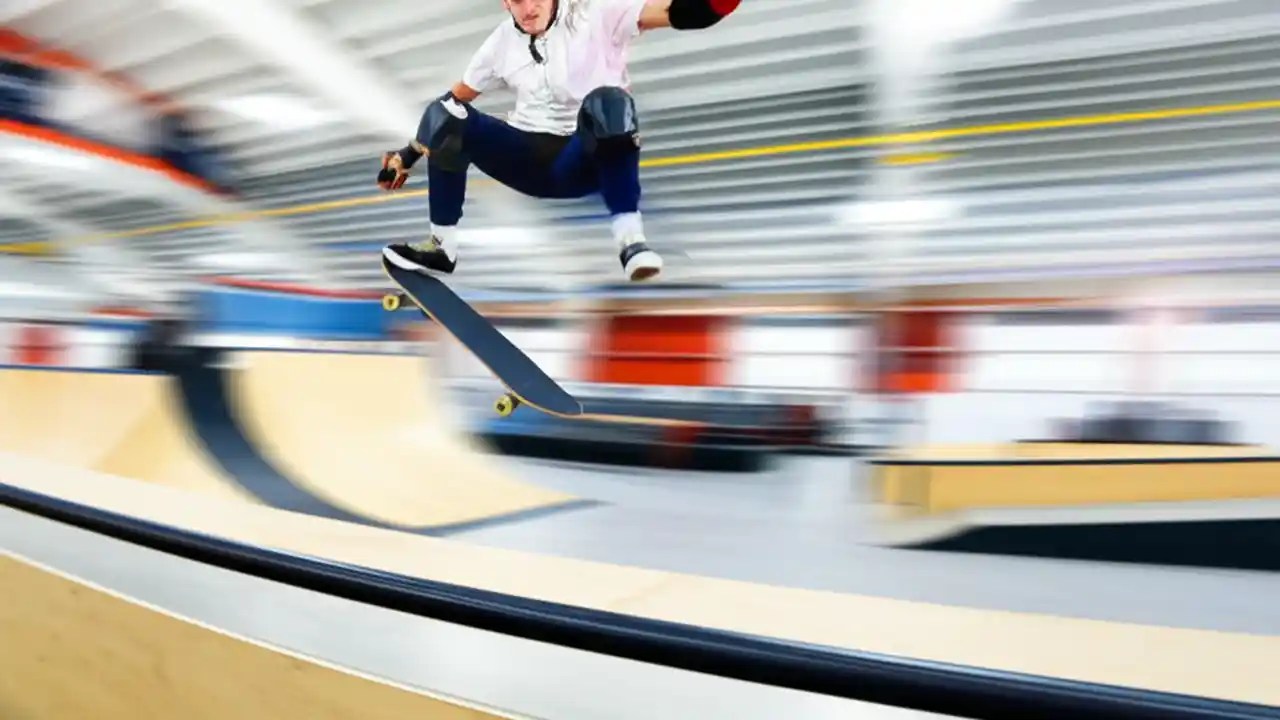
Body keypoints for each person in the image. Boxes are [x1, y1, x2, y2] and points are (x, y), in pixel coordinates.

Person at [377, 0, 741, 282]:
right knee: (446, 111)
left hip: (580, 159)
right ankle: (442, 247)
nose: (529, 10)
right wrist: (407, 155)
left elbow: (684, 11)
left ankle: (631, 242)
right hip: (525, 158)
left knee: (608, 101)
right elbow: (455, 99)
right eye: (518, 2)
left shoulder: (596, 11)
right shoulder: (500, 41)